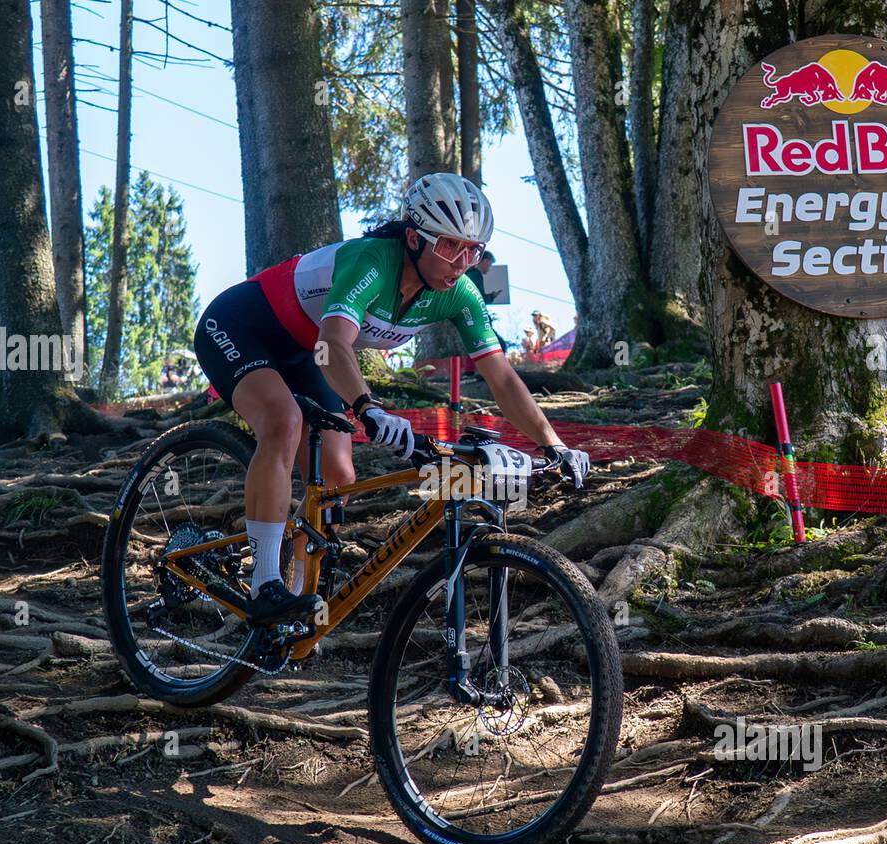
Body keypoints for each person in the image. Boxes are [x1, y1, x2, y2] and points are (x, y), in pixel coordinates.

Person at [193, 172, 592, 625]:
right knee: (284, 422)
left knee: (338, 474)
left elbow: (501, 378)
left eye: (473, 250)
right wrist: (368, 407)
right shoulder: (372, 262)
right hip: (241, 327)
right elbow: (334, 345)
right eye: (448, 246)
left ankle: (296, 604)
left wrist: (553, 443)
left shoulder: (458, 294)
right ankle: (264, 584)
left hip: (306, 350)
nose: (461, 261)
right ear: (413, 239)